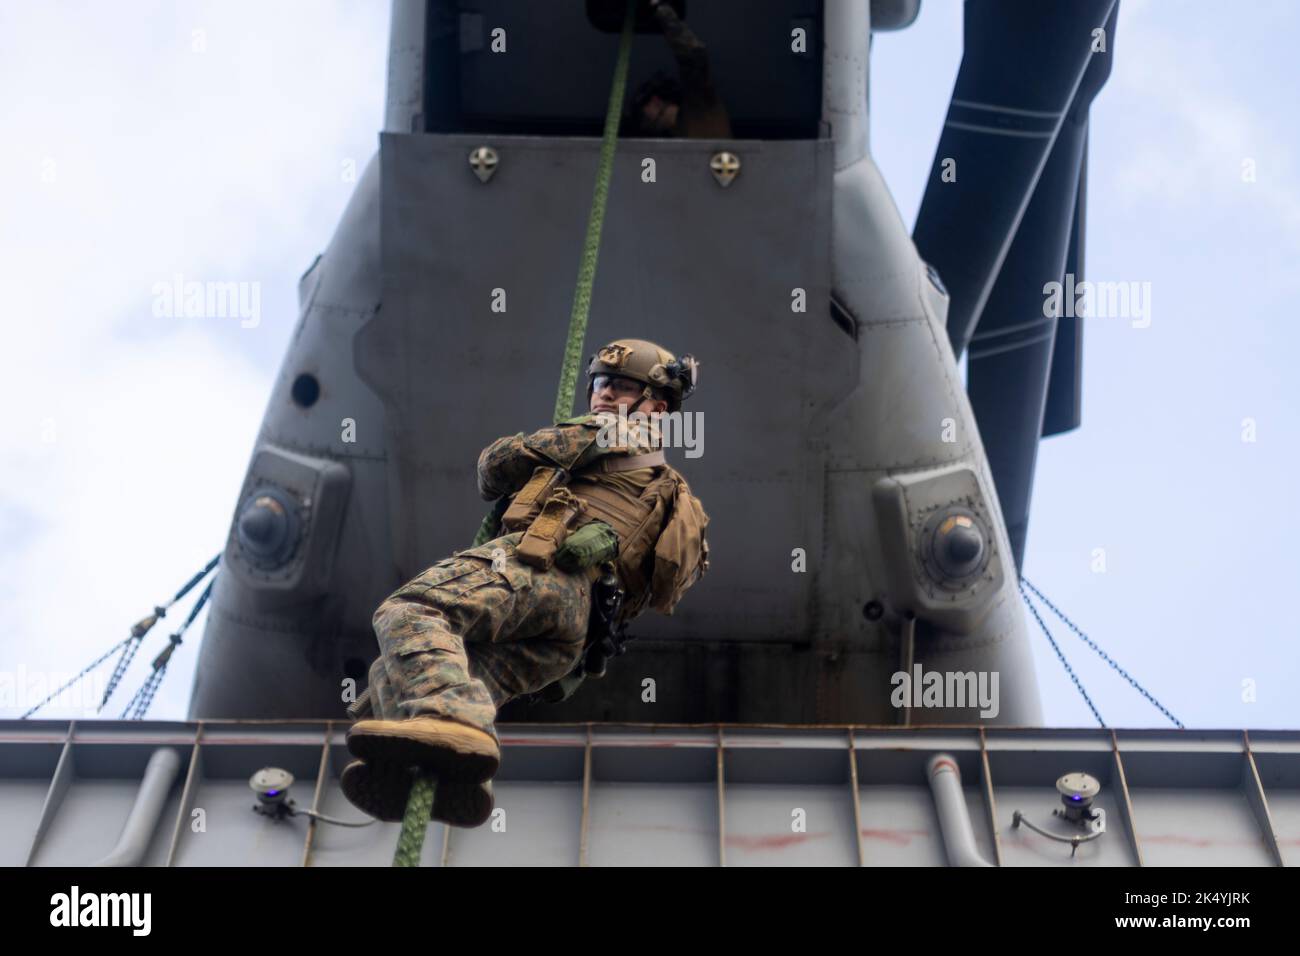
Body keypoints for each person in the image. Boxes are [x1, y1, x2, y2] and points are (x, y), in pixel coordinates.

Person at [341, 339, 709, 827]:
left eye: (622, 387)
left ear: (656, 406)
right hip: (574, 636)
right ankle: (453, 765)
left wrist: (519, 450)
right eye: (600, 384)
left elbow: (492, 470)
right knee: (405, 674)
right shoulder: (668, 494)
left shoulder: (610, 432)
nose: (603, 396)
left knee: (412, 612)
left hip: (540, 571)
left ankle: (451, 721)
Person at [626, 0, 732, 138]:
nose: (643, 118)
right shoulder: (674, 140)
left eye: (644, 105)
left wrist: (661, 10)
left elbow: (694, 56)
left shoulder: (699, 104)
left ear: (656, 100)